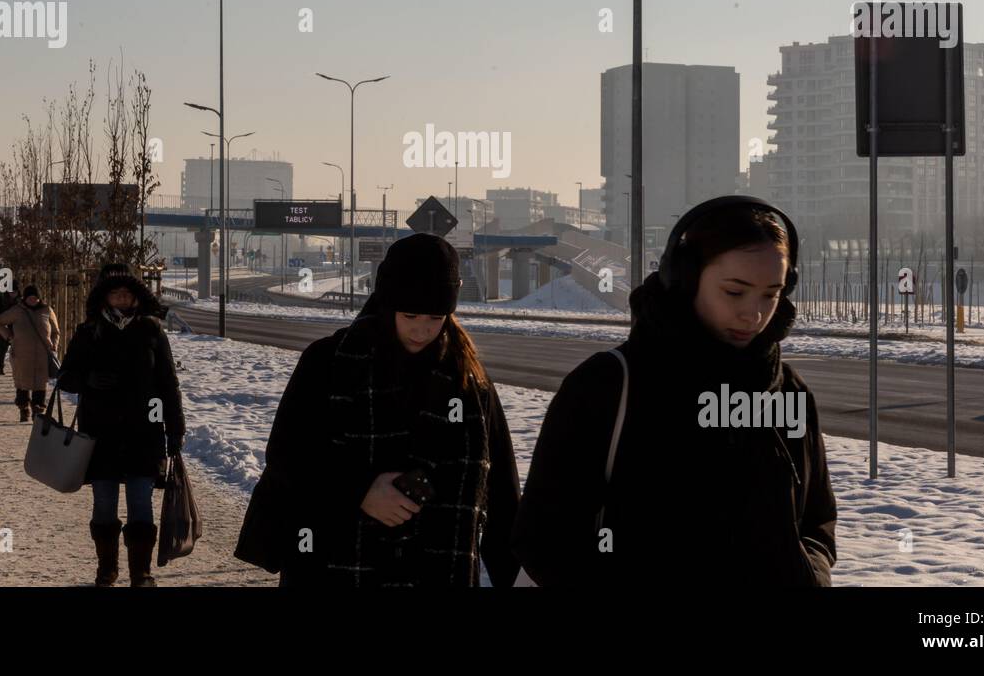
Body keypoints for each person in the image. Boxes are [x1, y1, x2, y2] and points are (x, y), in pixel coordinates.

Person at [512, 195, 836, 587]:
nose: (754, 314)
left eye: (771, 294)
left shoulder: (788, 395)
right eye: (734, 292)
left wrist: (808, 574)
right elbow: (544, 539)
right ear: (685, 278)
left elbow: (817, 522)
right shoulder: (608, 386)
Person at [234, 233, 521, 587]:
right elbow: (288, 458)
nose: (422, 328)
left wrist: (514, 573)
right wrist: (359, 493)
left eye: (436, 316)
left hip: (434, 573)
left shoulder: (470, 382)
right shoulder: (329, 363)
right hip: (333, 570)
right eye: (410, 313)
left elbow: (503, 493)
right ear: (387, 304)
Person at [57, 270, 185, 588]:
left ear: (137, 298)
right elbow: (66, 377)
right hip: (101, 436)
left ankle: (141, 573)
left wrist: (175, 427)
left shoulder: (151, 330)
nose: (123, 299)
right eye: (116, 294)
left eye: (128, 295)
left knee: (141, 502)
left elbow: (169, 382)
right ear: (105, 298)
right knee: (104, 502)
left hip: (145, 433)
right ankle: (107, 570)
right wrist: (87, 379)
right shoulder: (89, 331)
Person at [0, 285, 60, 423]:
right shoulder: (17, 311)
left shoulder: (47, 310)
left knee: (40, 384)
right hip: (21, 354)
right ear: (25, 298)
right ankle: (24, 409)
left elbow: (55, 331)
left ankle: (38, 411)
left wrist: (54, 344)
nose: (33, 300)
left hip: (42, 355)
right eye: (30, 297)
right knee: (22, 383)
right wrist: (9, 336)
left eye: (35, 298)